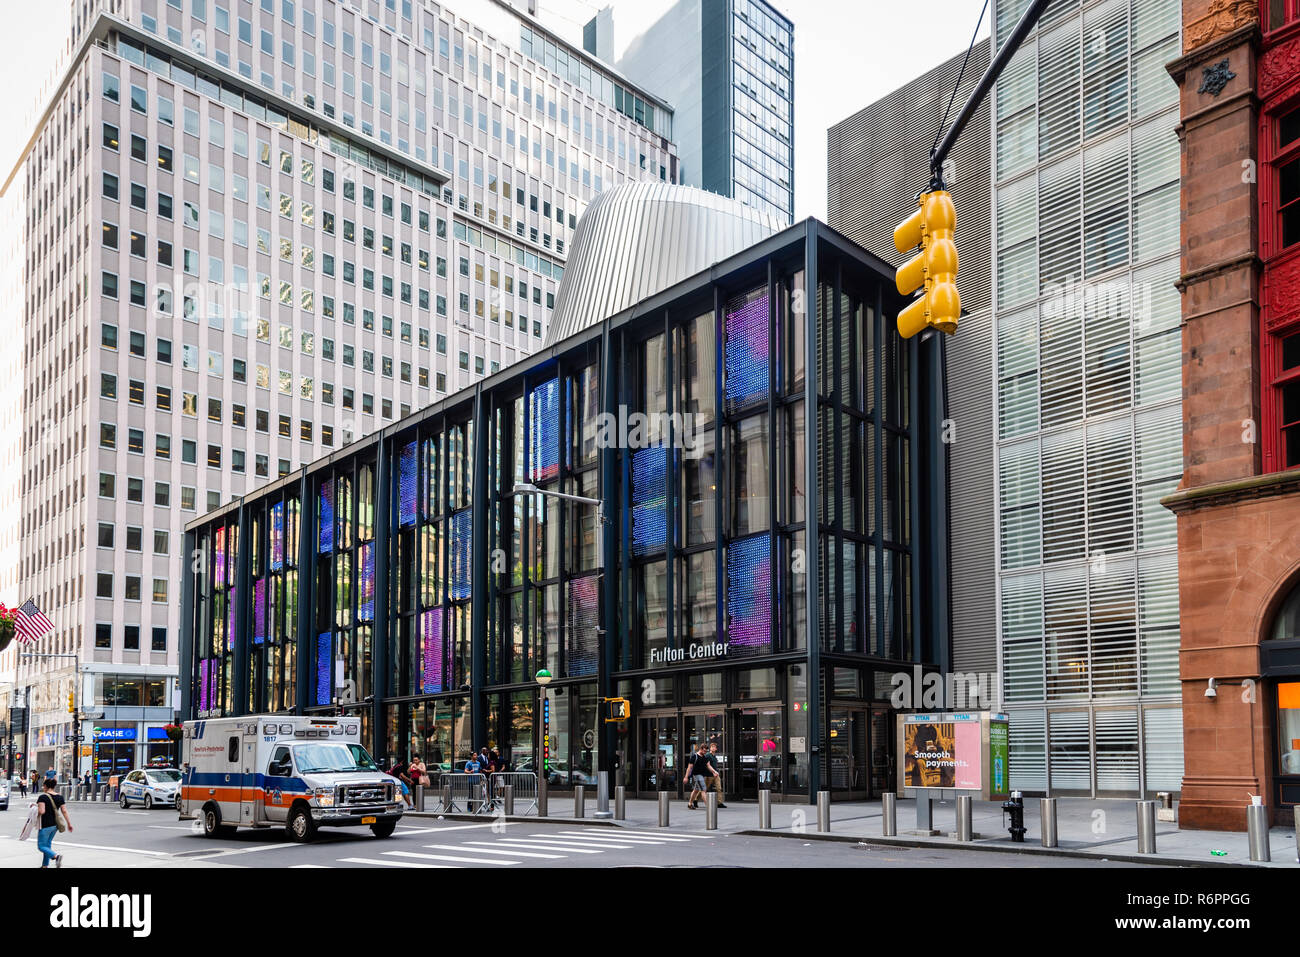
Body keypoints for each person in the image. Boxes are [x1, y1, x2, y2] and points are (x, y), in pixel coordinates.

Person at [35, 777, 72, 868]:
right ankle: (45, 866)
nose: (43, 788)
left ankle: (56, 856)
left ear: (46, 786)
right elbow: (64, 811)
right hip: (55, 826)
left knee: (41, 846)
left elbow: (42, 811)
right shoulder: (59, 797)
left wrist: (35, 809)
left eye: (43, 786)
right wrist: (69, 824)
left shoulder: (42, 797)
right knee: (47, 845)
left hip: (45, 825)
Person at [684, 743, 707, 810]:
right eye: (704, 751)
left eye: (706, 751)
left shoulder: (704, 757)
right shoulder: (694, 756)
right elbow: (689, 767)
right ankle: (709, 806)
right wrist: (686, 777)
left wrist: (714, 772)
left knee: (696, 790)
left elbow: (708, 765)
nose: (705, 752)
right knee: (703, 790)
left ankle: (690, 804)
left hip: (702, 775)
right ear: (700, 749)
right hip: (697, 775)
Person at [706, 742, 727, 808]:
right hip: (709, 775)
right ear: (710, 748)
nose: (713, 748)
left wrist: (716, 772)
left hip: (716, 775)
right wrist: (713, 772)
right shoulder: (708, 755)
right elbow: (707, 765)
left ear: (716, 749)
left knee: (719, 788)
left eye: (714, 747)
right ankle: (695, 799)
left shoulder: (714, 756)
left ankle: (719, 803)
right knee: (704, 789)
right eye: (712, 747)